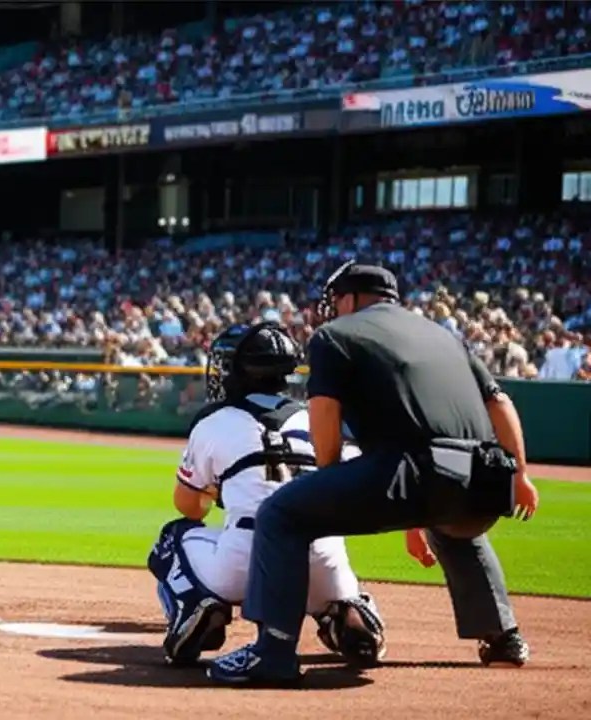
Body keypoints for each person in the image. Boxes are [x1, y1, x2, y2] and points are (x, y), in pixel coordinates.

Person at [209, 262, 540, 687]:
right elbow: (500, 405)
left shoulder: (335, 336)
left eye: (337, 301)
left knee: (282, 512)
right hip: (483, 487)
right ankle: (504, 638)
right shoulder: (444, 336)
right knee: (456, 524)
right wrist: (521, 474)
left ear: (350, 298)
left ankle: (271, 652)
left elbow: (324, 413)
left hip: (409, 473)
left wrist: (324, 485)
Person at [148, 321, 385, 668]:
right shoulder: (316, 419)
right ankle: (345, 609)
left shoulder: (214, 422)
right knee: (325, 555)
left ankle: (198, 609)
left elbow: (188, 507)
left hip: (243, 561)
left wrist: (223, 488)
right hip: (321, 559)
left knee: (173, 536)